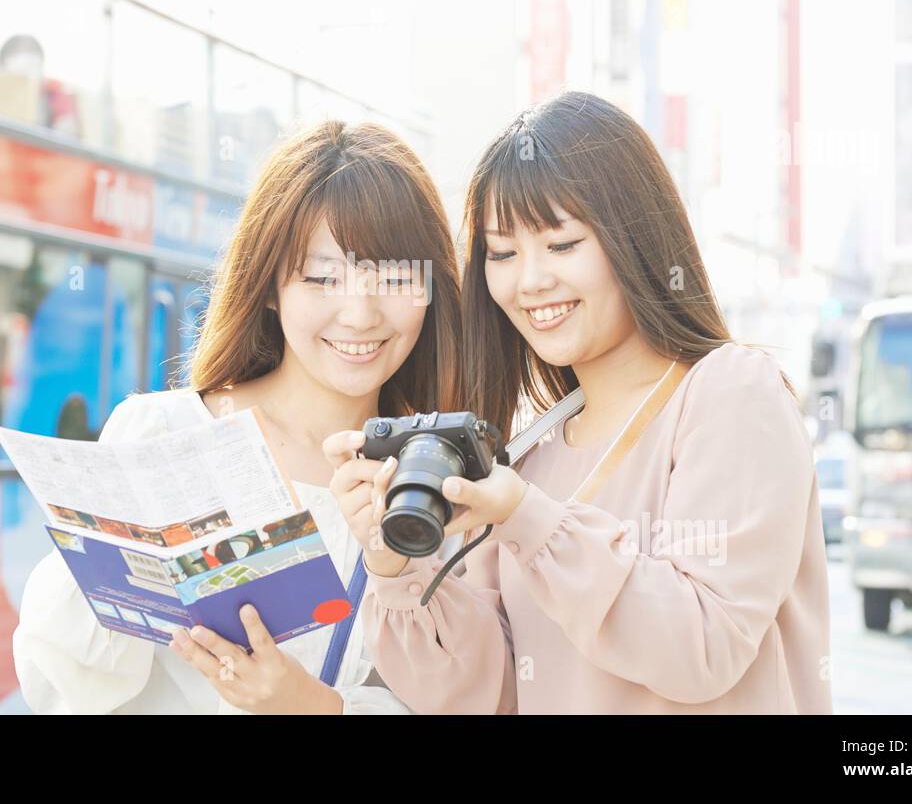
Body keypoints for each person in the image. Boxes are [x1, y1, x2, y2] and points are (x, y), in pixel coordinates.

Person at [327, 92, 833, 713]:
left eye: (562, 244)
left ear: (636, 239)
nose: (530, 280)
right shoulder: (526, 455)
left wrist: (526, 518)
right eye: (504, 254)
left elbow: (705, 648)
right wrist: (394, 562)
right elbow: (485, 696)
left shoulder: (730, 393)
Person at [13, 120, 463, 713]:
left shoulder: (431, 488)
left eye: (394, 277)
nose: (359, 313)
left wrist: (314, 706)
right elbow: (62, 681)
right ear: (271, 286)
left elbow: (456, 697)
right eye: (323, 277)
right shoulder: (167, 434)